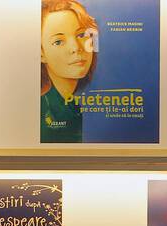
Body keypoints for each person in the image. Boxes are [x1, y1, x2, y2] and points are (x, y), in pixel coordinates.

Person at [40, 0, 97, 144]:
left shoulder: (72, 106)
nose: (75, 48)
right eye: (58, 42)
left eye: (81, 35)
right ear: (41, 53)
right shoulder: (43, 111)